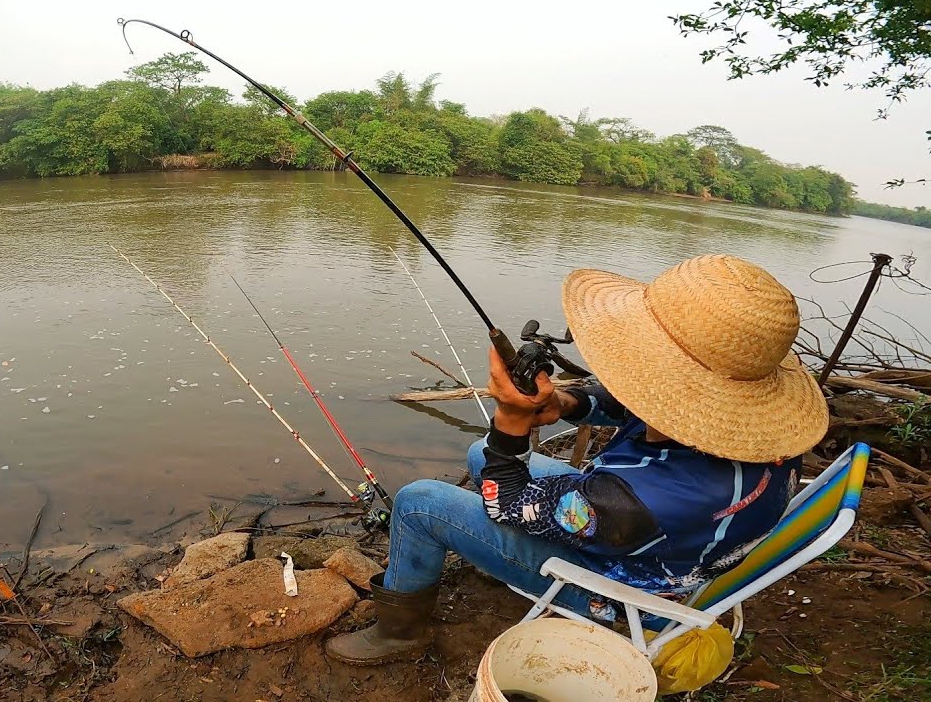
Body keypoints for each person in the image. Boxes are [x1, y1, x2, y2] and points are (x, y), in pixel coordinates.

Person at [325, 254, 829, 665]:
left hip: (620, 591)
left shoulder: (637, 504)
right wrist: (564, 403)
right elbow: (625, 399)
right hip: (666, 544)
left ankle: (399, 633)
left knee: (419, 505)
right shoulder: (749, 432)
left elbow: (508, 503)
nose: (631, 370)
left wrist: (512, 418)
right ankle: (494, 549)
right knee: (483, 454)